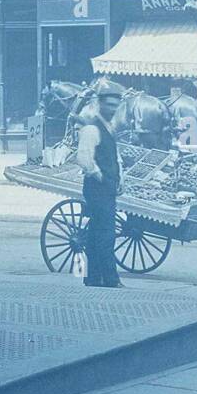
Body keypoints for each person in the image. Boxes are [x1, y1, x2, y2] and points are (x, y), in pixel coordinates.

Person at [76, 81, 125, 289]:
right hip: (98, 188)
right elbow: (84, 159)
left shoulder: (109, 128)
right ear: (100, 104)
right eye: (109, 105)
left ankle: (93, 278)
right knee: (106, 234)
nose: (112, 109)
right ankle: (111, 280)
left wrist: (120, 178)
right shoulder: (91, 128)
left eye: (115, 106)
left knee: (97, 233)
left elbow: (115, 156)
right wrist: (101, 177)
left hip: (107, 187)